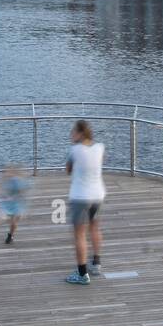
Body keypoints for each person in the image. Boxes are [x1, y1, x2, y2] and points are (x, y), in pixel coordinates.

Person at [65, 120, 105, 285]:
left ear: (80, 133)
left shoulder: (74, 150)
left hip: (80, 197)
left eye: (73, 132)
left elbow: (68, 170)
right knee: (94, 227)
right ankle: (96, 263)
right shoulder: (100, 147)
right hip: (97, 195)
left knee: (80, 235)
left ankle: (82, 274)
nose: (71, 135)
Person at [0, 164, 31, 245]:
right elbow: (22, 190)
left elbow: (22, 190)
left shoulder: (11, 180)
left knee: (13, 220)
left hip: (12, 203)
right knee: (12, 220)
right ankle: (8, 233)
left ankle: (9, 234)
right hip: (11, 203)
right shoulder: (9, 180)